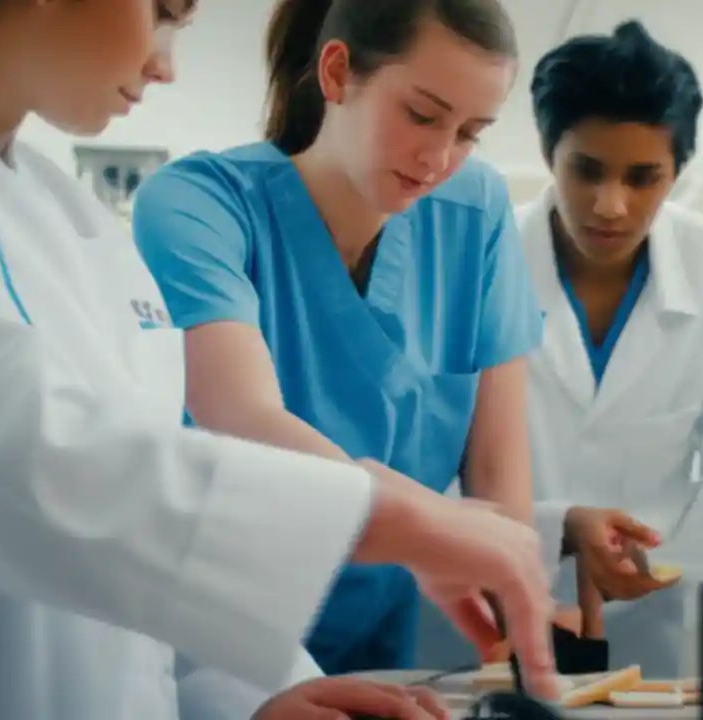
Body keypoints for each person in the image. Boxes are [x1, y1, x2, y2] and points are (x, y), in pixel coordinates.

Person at [0, 1, 558, 718]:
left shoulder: (78, 226)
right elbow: (32, 458)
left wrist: (260, 695)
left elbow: (141, 546)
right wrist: (389, 517)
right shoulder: (188, 206)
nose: (166, 64)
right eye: (162, 11)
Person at [131, 0, 544, 676]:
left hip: (381, 640)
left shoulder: (477, 211)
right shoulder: (196, 204)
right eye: (420, 114)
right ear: (336, 72)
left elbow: (495, 466)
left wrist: (515, 603)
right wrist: (425, 528)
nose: (440, 157)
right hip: (216, 635)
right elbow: (239, 413)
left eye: (470, 131)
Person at [503, 19, 703, 678]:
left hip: (656, 622)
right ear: (548, 152)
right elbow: (435, 460)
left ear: (678, 172)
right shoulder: (483, 257)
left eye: (644, 177)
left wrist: (649, 565)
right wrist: (551, 529)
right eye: (586, 170)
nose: (610, 204)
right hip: (491, 605)